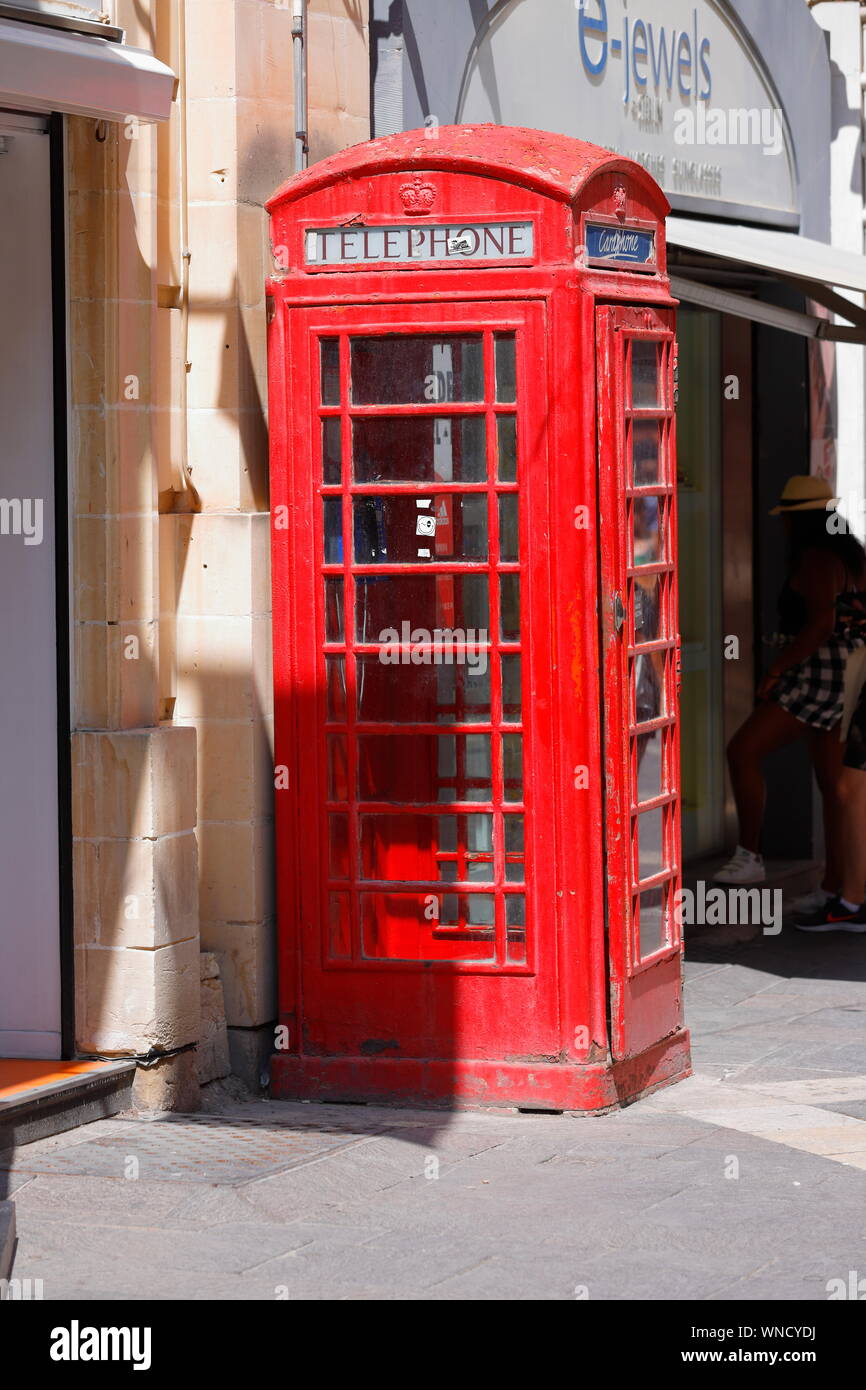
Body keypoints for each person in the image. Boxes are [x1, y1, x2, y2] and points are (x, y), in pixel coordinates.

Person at [715, 475, 866, 890]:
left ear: (797, 521)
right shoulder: (850, 555)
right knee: (836, 790)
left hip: (818, 677)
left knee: (743, 750)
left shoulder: (816, 558)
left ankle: (749, 856)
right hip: (850, 675)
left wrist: (777, 670)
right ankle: (840, 889)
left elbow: (821, 625)